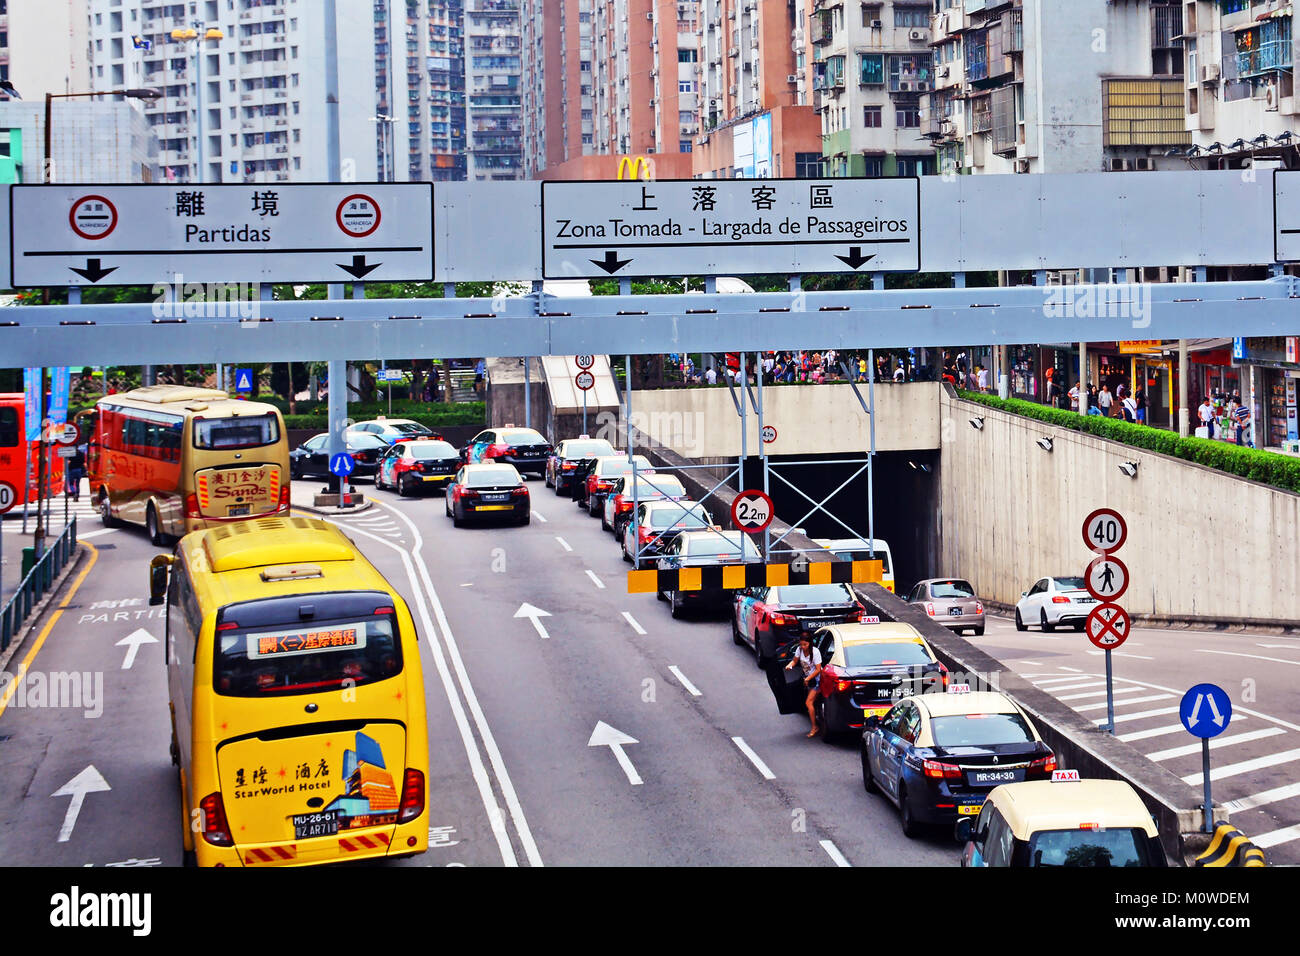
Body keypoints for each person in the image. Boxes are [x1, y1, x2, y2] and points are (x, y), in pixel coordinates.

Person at [785, 633, 824, 738]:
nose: (803, 647)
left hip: (816, 679)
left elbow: (818, 669)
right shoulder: (799, 650)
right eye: (801, 644)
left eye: (805, 645)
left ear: (810, 644)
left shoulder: (815, 652)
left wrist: (808, 678)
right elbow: (794, 660)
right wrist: (790, 665)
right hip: (808, 679)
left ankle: (814, 727)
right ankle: (817, 718)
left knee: (808, 702)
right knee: (812, 702)